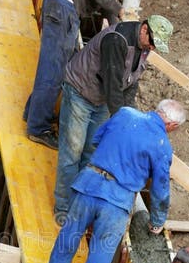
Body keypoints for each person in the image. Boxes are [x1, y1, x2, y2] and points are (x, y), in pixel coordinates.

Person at [36, 99, 186, 263]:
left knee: (68, 238)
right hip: (117, 202)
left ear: (157, 110)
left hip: (89, 184)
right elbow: (160, 188)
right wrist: (157, 221)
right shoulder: (162, 144)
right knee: (100, 255)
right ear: (172, 126)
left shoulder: (125, 114)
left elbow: (96, 139)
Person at [24, 0, 164, 149]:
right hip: (64, 6)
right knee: (54, 70)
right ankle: (38, 128)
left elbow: (107, 2)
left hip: (63, 4)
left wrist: (121, 28)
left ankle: (33, 114)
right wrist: (121, 11)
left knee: (60, 66)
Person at [54, 14, 173, 217]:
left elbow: (130, 84)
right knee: (72, 151)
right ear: (144, 29)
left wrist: (132, 118)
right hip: (81, 92)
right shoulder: (117, 40)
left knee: (91, 152)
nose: (152, 48)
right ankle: (63, 206)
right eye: (152, 42)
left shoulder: (143, 47)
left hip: (100, 99)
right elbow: (113, 86)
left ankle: (79, 201)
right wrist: (124, 123)